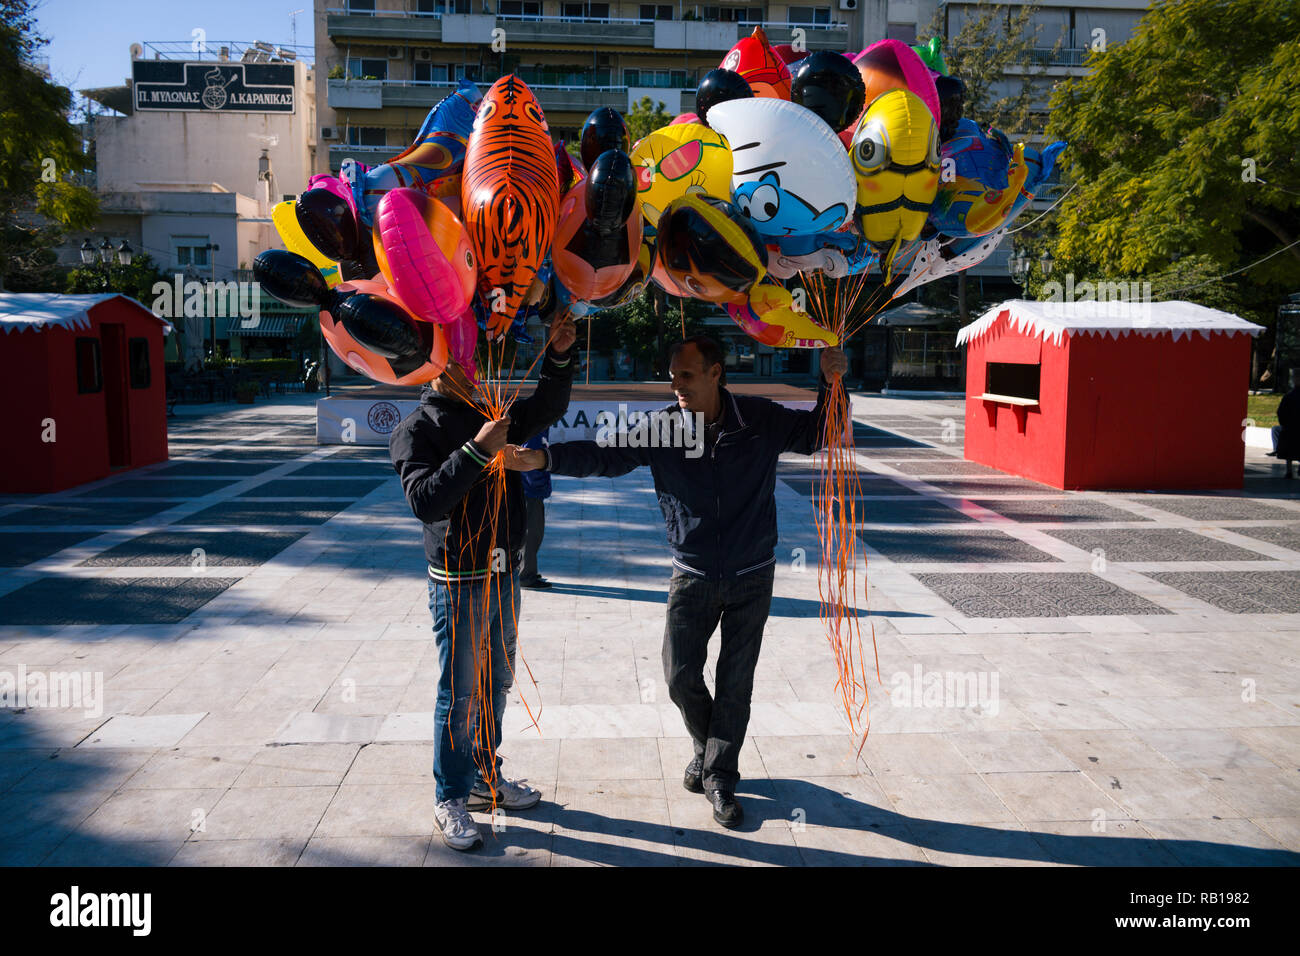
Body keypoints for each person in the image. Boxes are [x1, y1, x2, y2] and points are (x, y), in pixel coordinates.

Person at [504, 334, 847, 829]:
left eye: (686, 375)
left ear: (715, 373)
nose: (676, 385)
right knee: (679, 676)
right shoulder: (663, 428)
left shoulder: (760, 419)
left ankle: (719, 778)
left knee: (735, 682)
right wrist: (546, 459)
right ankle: (710, 756)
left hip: (754, 572)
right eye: (672, 376)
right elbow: (607, 455)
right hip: (692, 573)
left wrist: (831, 383)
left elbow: (819, 434)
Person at [389, 315, 577, 851]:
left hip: (503, 575)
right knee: (460, 692)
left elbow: (547, 408)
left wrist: (559, 355)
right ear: (437, 365)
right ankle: (450, 795)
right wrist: (476, 450)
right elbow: (426, 500)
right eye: (463, 359)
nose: (475, 368)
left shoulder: (491, 413)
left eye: (476, 357)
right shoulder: (416, 429)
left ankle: (483, 776)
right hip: (458, 579)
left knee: (495, 683)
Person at [519, 427, 552, 589]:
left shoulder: (536, 426)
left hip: (527, 490)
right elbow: (529, 460)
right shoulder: (535, 430)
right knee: (532, 533)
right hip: (529, 491)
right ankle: (525, 575)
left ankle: (526, 570)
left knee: (531, 533)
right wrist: (539, 487)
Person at [1271, 376, 1299, 479]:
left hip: (1290, 427)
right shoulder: (1289, 396)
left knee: (1289, 451)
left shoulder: (1289, 396)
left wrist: (1284, 423)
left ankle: (1289, 471)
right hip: (1292, 427)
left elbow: (1281, 412)